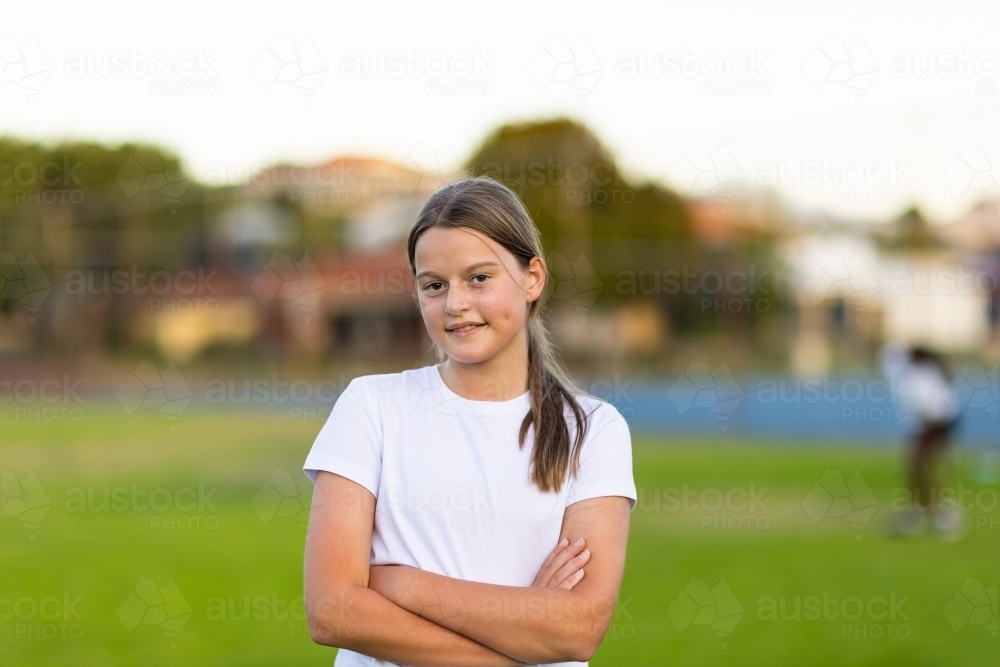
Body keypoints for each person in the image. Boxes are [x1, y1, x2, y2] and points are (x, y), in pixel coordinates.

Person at [301, 176, 637, 666]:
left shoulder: (592, 430)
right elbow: (333, 611)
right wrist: (520, 646)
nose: (454, 304)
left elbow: (576, 629)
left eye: (479, 277)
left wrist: (401, 583)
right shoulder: (371, 406)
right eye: (433, 285)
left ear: (532, 278)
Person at [879, 341, 964, 540]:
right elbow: (888, 356)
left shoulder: (927, 378)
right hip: (922, 428)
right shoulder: (909, 373)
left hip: (935, 427)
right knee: (917, 471)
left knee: (922, 469)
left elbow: (940, 414)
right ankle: (923, 511)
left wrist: (930, 441)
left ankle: (942, 516)